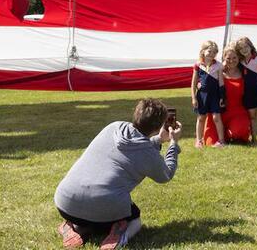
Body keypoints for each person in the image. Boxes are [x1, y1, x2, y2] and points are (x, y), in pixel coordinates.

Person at [55, 98, 183, 249]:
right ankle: (120, 238)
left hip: (64, 200)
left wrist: (159, 140)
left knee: (93, 215)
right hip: (105, 203)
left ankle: (77, 226)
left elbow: (135, 145)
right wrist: (173, 144)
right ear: (157, 126)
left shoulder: (114, 127)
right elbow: (165, 175)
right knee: (134, 221)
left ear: (136, 114)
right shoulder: (148, 153)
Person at [235, 35, 257, 146]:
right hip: (247, 93)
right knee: (252, 116)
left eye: (246, 47)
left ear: (251, 46)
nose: (244, 50)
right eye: (241, 48)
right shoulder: (240, 61)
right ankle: (254, 139)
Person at [190, 40, 225, 148]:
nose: (212, 54)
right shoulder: (198, 65)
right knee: (201, 118)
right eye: (210, 51)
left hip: (215, 95)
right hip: (202, 96)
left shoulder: (218, 65)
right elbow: (194, 82)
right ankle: (199, 140)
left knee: (216, 117)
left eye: (214, 52)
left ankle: (221, 141)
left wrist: (222, 96)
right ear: (203, 51)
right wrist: (193, 98)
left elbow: (221, 82)